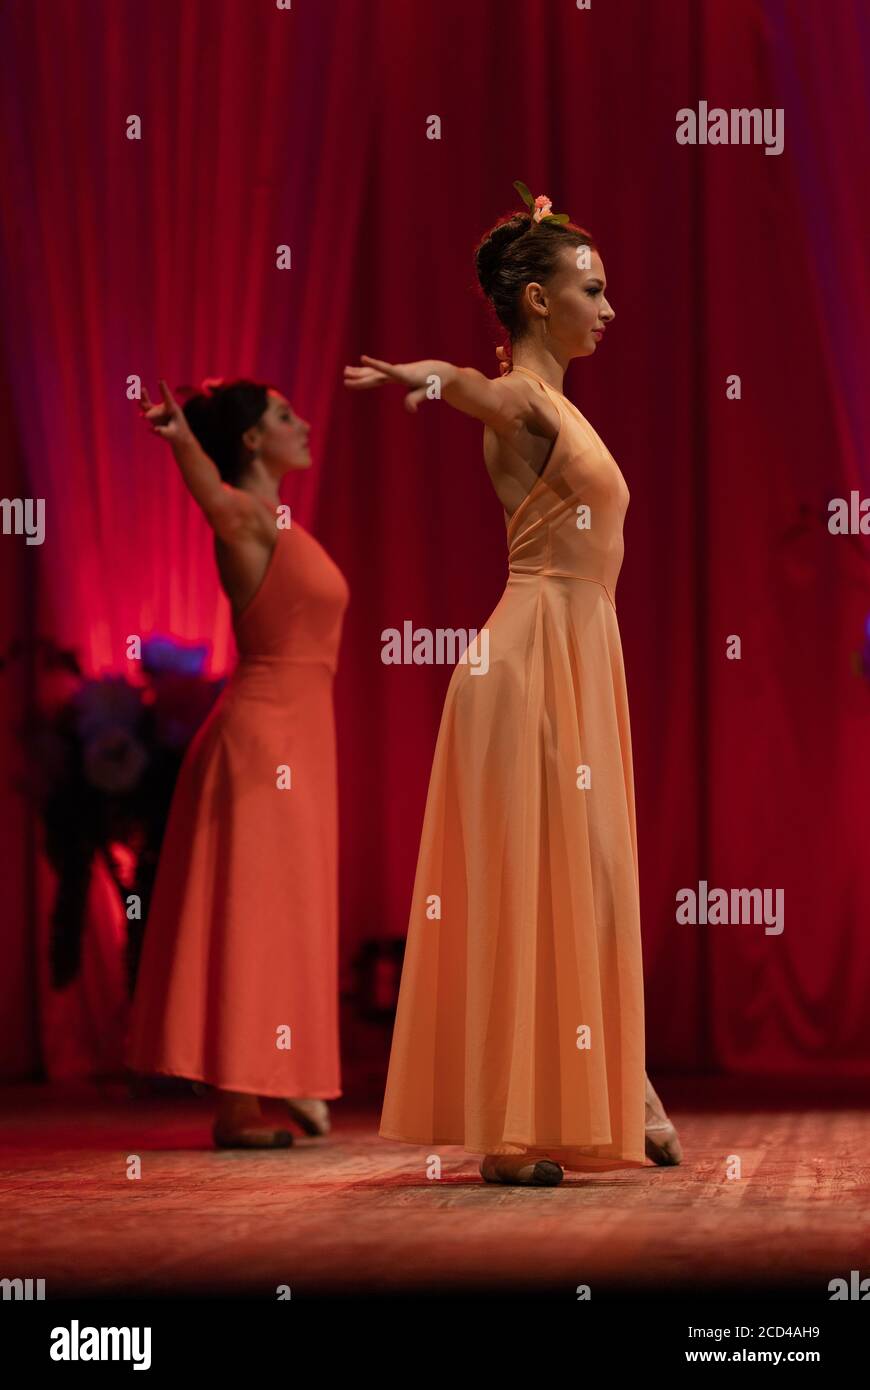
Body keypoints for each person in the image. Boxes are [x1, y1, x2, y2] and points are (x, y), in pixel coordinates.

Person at [344, 185, 681, 1184]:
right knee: (548, 880)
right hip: (532, 656)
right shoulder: (525, 394)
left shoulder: (562, 404)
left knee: (589, 882)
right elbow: (474, 387)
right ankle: (515, 1129)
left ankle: (619, 1097)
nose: (609, 310)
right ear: (539, 300)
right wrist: (431, 376)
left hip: (572, 651)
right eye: (594, 289)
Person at [125, 378, 349, 1148]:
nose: (305, 420)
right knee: (255, 915)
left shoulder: (281, 523)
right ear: (252, 441)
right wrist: (181, 438)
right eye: (286, 415)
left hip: (298, 743)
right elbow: (211, 499)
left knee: (286, 913)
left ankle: (278, 1083)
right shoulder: (246, 518)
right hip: (262, 745)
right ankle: (239, 1106)